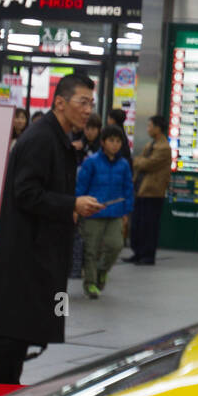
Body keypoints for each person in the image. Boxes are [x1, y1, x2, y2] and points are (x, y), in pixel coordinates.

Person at [0, 73, 103, 384]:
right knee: (13, 335)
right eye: (82, 102)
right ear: (60, 102)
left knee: (18, 336)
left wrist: (68, 207)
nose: (87, 110)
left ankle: (0, 393)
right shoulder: (42, 138)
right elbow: (25, 192)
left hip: (37, 252)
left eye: (90, 104)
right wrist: (71, 204)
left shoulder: (57, 137)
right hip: (23, 257)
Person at [76, 125, 134, 297]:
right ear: (103, 142)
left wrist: (126, 211)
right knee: (91, 249)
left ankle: (102, 270)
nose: (115, 145)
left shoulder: (123, 165)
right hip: (92, 212)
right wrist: (77, 207)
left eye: (118, 141)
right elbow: (81, 187)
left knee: (116, 245)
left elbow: (128, 189)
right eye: (111, 141)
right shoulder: (91, 162)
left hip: (115, 212)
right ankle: (91, 284)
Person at [128, 115, 170, 265]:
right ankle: (138, 253)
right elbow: (140, 161)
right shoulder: (150, 144)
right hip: (141, 190)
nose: (148, 129)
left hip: (153, 192)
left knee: (149, 225)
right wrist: (139, 162)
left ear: (158, 128)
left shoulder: (164, 147)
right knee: (138, 223)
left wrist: (138, 162)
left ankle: (147, 255)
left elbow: (146, 164)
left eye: (150, 126)